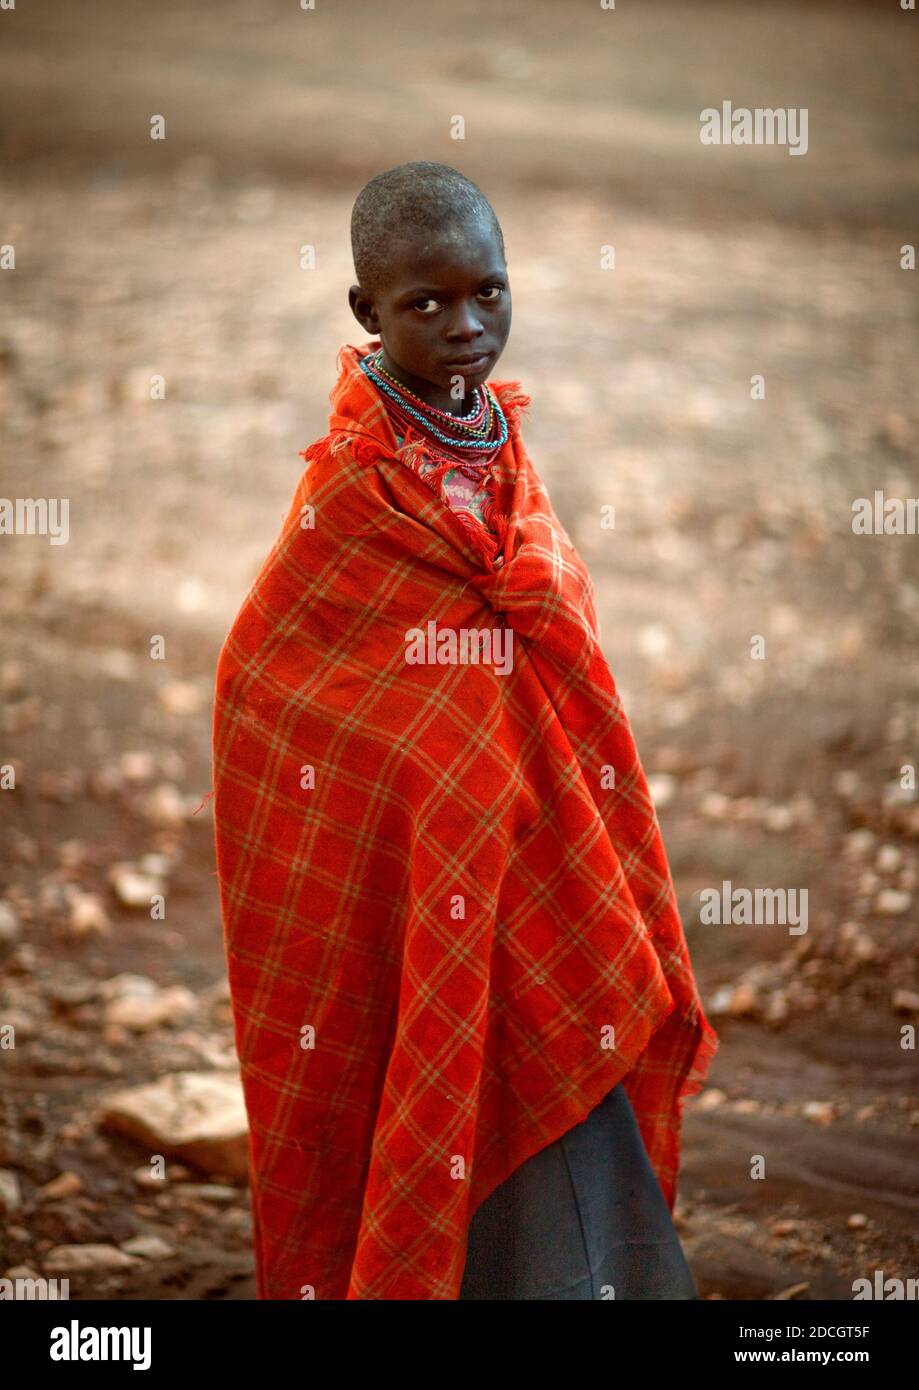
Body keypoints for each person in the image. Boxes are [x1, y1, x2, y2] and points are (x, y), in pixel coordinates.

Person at [211, 161, 719, 1301]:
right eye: (424, 304)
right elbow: (270, 673)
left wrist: (506, 781)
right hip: (428, 868)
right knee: (439, 1051)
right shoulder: (350, 494)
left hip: (539, 850)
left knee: (561, 1032)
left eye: (487, 293)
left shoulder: (498, 446)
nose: (465, 326)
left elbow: (551, 648)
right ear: (365, 314)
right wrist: (444, 783)